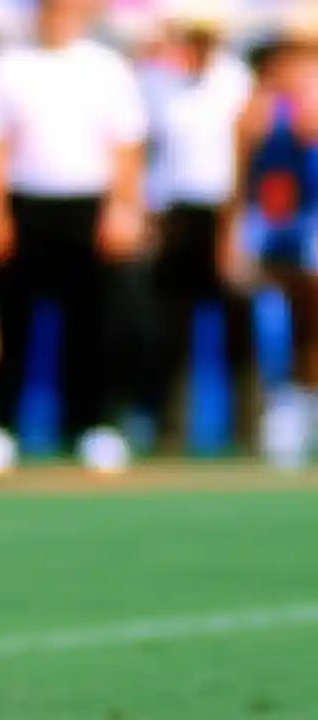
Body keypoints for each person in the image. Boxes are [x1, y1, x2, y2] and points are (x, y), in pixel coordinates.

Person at [0, 0, 148, 474]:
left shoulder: (107, 69)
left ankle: (90, 426)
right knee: (15, 320)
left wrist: (123, 210)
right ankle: (1, 426)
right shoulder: (9, 66)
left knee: (89, 323)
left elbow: (126, 147)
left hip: (87, 205)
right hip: (27, 204)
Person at [146, 4, 254, 453]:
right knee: (172, 326)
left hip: (222, 213)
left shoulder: (236, 81)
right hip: (175, 216)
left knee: (235, 325)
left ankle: (247, 431)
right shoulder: (160, 82)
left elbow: (244, 158)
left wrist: (235, 228)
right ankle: (172, 430)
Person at [222, 13, 318, 467]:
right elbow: (240, 184)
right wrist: (232, 237)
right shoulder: (256, 112)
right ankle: (286, 412)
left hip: (310, 228)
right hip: (277, 233)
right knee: (283, 325)